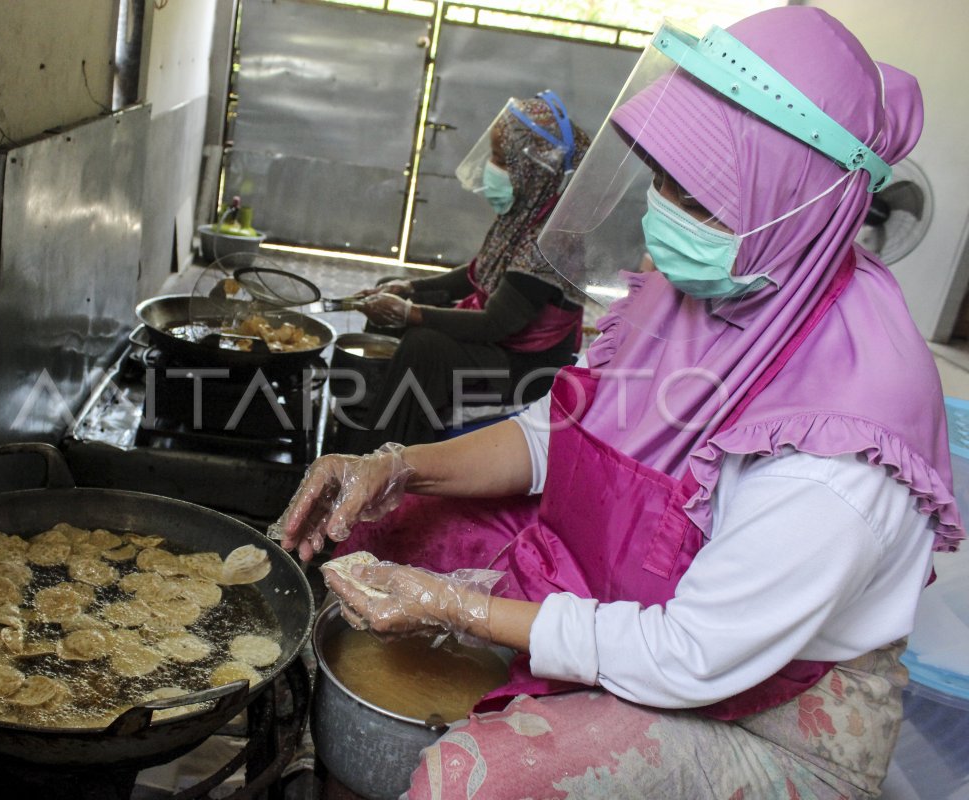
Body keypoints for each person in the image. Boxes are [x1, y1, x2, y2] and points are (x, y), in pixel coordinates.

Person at [271, 7, 964, 799]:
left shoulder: (839, 446)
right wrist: (395, 466)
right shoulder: (705, 291)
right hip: (635, 589)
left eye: (700, 201)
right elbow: (555, 436)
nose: (662, 212)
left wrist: (456, 607)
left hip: (761, 708)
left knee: (475, 778)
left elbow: (688, 655)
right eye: (666, 178)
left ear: (801, 204)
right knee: (386, 528)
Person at [341, 91, 592, 453]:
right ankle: (373, 421)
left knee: (424, 347)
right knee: (390, 296)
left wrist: (411, 314)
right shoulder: (525, 215)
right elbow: (477, 273)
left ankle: (390, 461)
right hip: (503, 343)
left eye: (500, 159)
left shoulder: (552, 241)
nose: (490, 167)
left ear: (533, 168)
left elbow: (495, 324)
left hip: (525, 368)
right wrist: (407, 288)